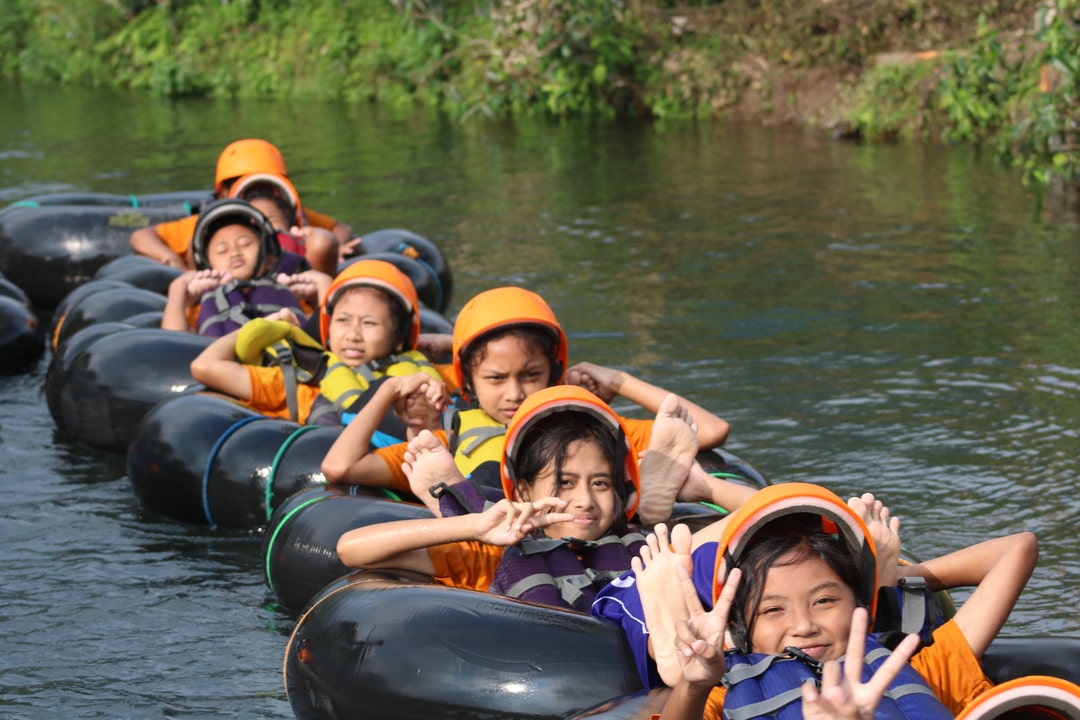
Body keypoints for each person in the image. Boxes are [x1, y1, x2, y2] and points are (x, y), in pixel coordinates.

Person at [597, 482, 1038, 719]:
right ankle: (667, 640)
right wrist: (693, 684)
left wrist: (889, 577)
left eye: (825, 601)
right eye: (773, 609)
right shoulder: (725, 694)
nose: (804, 625)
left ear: (859, 605)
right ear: (740, 627)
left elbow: (1018, 548)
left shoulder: (919, 665)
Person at [322, 285, 744, 523]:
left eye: (530, 376)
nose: (514, 394)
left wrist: (619, 380)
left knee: (604, 476)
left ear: (553, 372)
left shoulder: (586, 426)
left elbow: (708, 432)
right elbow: (339, 468)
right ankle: (452, 496)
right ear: (466, 380)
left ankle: (647, 493)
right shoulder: (444, 437)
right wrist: (389, 389)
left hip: (588, 525)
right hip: (502, 525)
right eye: (495, 379)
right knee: (487, 475)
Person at [335, 384, 702, 611]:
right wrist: (474, 526)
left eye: (601, 484)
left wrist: (708, 490)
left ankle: (650, 503)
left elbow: (745, 524)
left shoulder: (645, 549)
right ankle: (453, 501)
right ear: (524, 491)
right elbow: (351, 548)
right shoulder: (496, 553)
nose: (585, 500)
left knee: (653, 532)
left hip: (631, 674)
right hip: (541, 674)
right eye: (564, 483)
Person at [190, 259, 447, 433]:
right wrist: (269, 324)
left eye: (369, 323)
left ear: (399, 335)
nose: (353, 335)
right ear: (328, 325)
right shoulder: (302, 380)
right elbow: (205, 366)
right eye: (343, 321)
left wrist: (443, 342)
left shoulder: (425, 379)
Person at [130, 138, 356, 269]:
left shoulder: (289, 216)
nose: (258, 192)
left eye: (266, 184)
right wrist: (170, 259)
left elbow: (341, 228)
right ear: (224, 192)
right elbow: (141, 236)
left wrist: (335, 248)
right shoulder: (210, 226)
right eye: (245, 184)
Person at [161, 199, 329, 336]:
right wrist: (179, 287)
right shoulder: (197, 308)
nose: (235, 253)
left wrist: (323, 283)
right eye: (222, 250)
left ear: (267, 252)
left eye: (245, 244)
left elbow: (326, 335)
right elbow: (173, 345)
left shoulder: (294, 295)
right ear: (207, 263)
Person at [227, 171, 340, 276]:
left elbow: (323, 242)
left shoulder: (304, 259)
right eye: (253, 225)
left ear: (291, 226)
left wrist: (309, 235)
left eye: (270, 221)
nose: (263, 229)